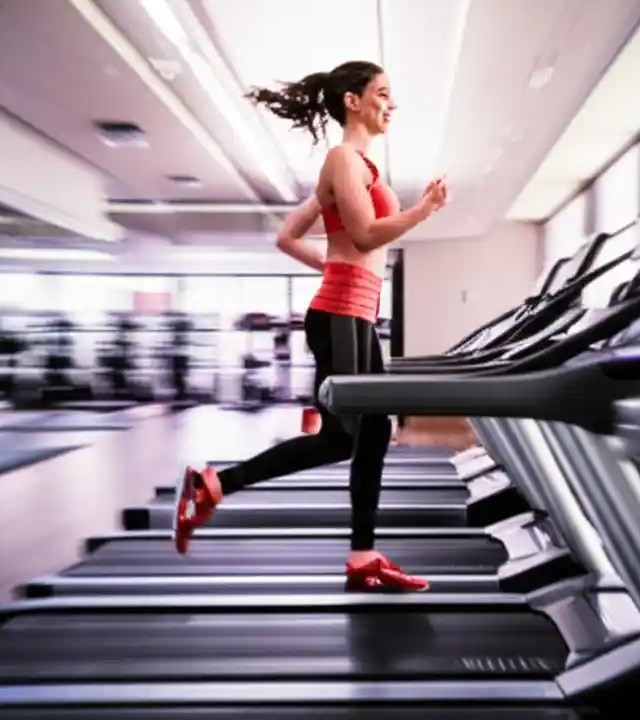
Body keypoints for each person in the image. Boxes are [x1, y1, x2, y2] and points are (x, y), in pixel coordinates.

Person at [173, 60, 449, 592]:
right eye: (383, 93)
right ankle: (213, 484)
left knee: (371, 434)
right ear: (353, 100)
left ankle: (362, 556)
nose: (391, 104)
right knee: (345, 437)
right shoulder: (343, 159)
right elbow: (366, 235)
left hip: (353, 311)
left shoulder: (359, 166)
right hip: (342, 314)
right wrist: (421, 213)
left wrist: (334, 266)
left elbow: (288, 235)